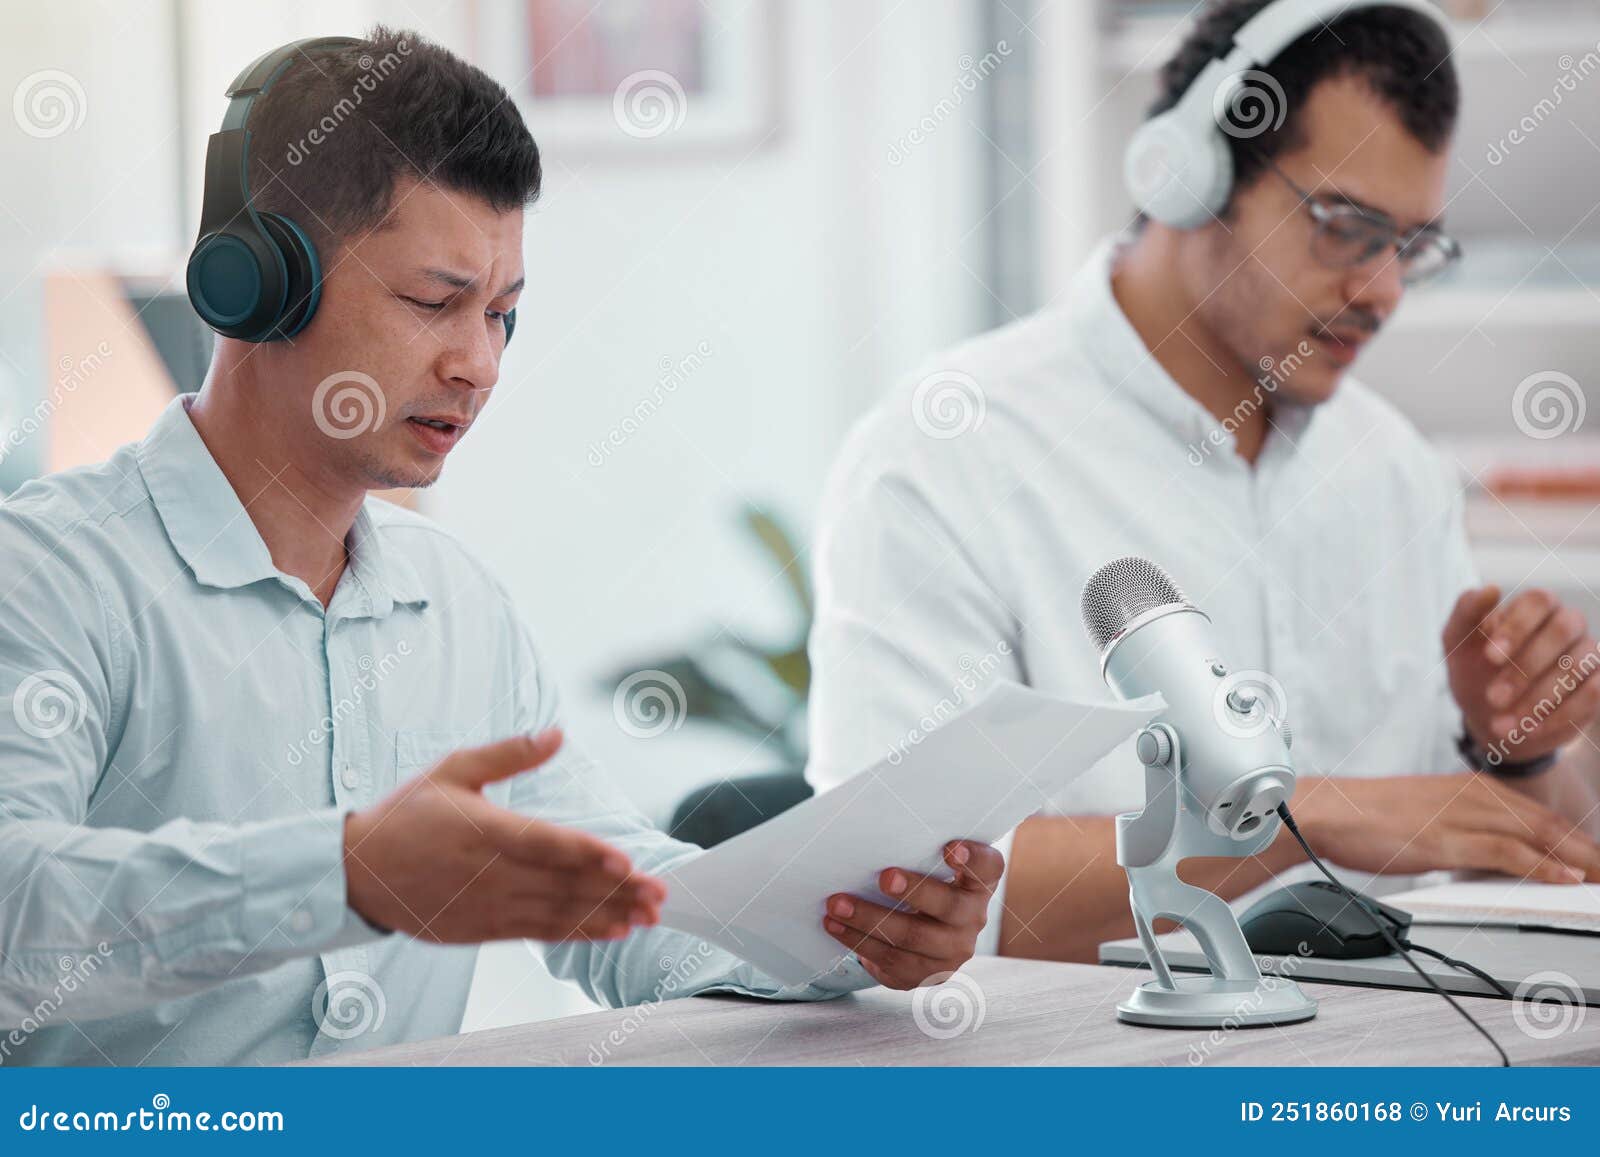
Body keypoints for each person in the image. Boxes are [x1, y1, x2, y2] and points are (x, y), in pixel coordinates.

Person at [0, 28, 1002, 1066]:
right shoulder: (46, 576)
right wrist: (344, 875)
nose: (478, 363)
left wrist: (845, 929)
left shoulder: (454, 603)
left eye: (503, 315)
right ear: (257, 284)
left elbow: (619, 900)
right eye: (433, 303)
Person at [806, 0, 1600, 965]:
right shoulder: (944, 456)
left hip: (1395, 1064)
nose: (1385, 289)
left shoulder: (1397, 470)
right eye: (1348, 227)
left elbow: (1543, 852)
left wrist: (1518, 745)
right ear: (1188, 178)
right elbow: (887, 885)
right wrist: (1296, 823)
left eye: (1412, 246)